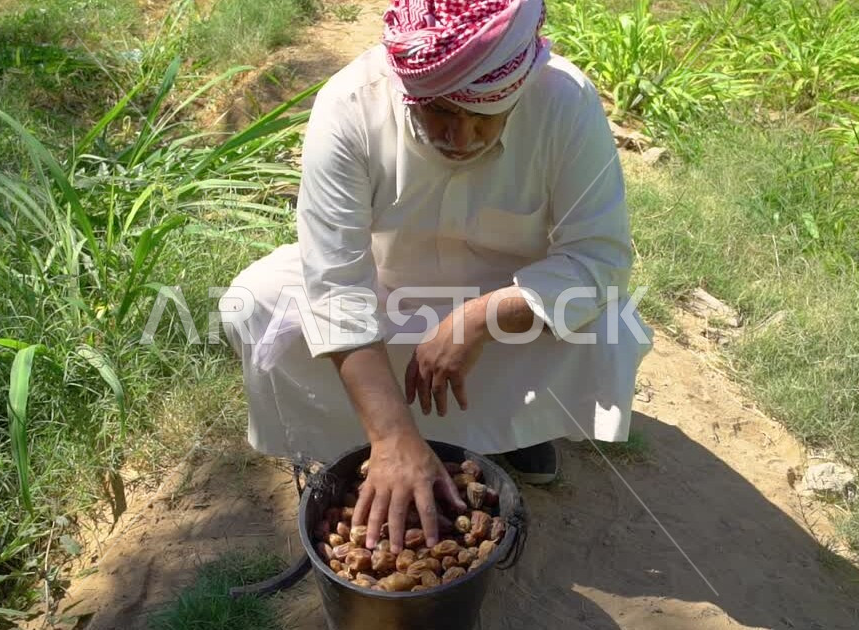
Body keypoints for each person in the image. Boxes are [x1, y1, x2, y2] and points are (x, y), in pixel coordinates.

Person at [220, 0, 651, 553]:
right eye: (442, 111)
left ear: (518, 88)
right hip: (393, 287)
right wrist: (391, 434)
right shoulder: (351, 104)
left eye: (486, 114)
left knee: (609, 323)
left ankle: (521, 431)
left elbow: (599, 259)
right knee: (256, 302)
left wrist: (479, 318)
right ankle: (375, 445)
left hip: (512, 295)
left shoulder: (565, 101)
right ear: (410, 88)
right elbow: (337, 287)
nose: (461, 135)